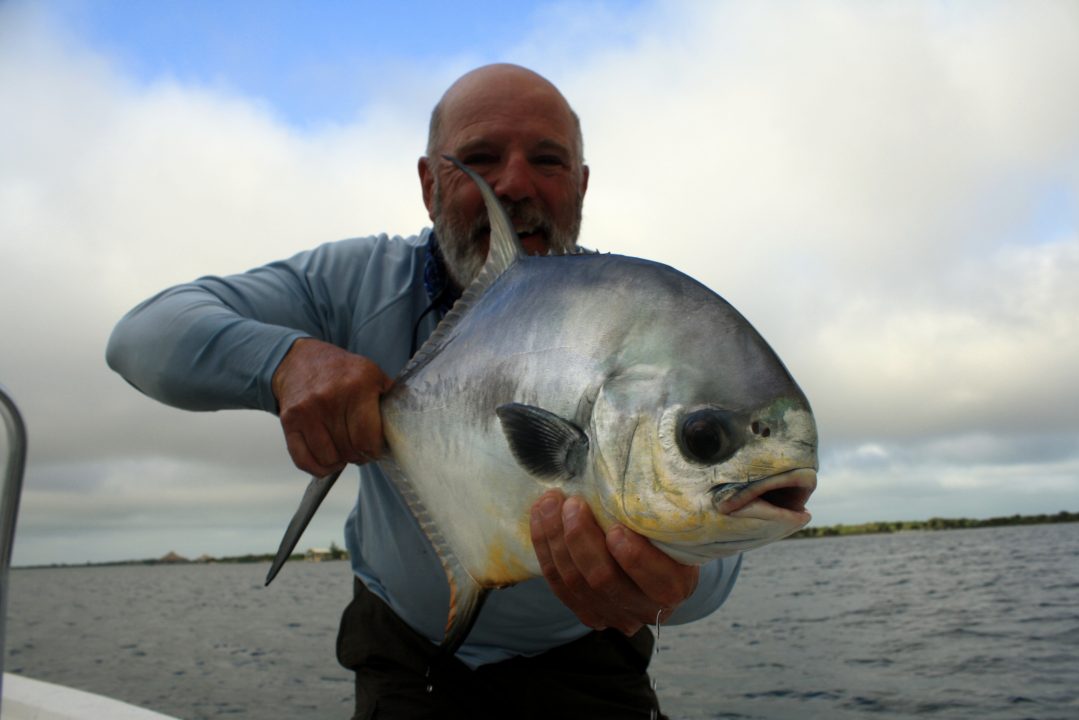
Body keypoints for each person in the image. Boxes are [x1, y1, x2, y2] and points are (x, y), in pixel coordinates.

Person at [107, 63, 742, 719]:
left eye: (548, 161)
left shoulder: (633, 318)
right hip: (408, 662)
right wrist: (285, 361)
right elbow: (142, 336)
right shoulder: (357, 283)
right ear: (428, 183)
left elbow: (722, 530)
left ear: (581, 185)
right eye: (479, 159)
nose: (515, 184)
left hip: (590, 663)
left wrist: (675, 584)